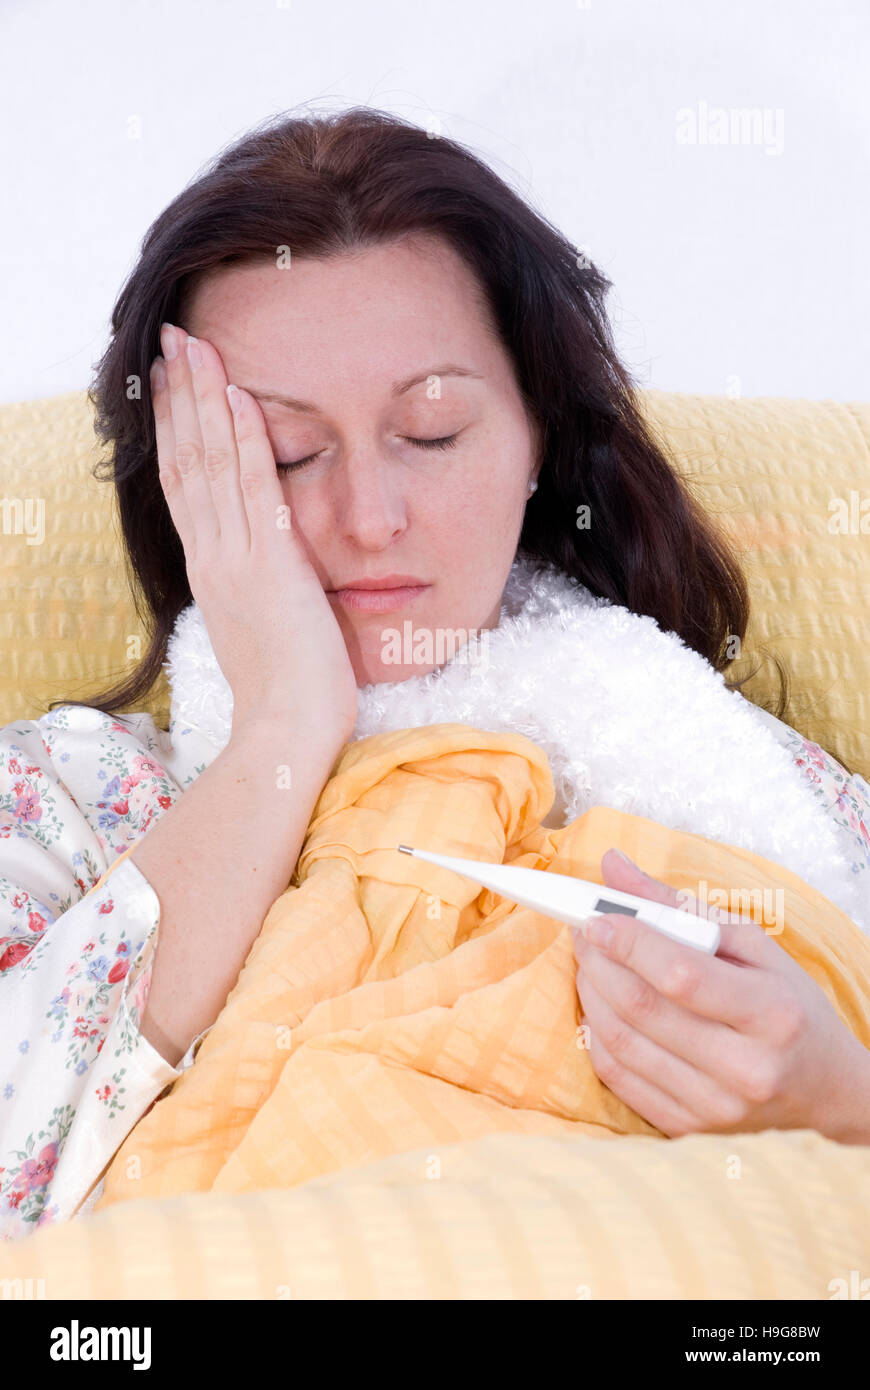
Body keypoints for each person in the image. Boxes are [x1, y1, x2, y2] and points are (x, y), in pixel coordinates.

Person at [3, 106, 869, 1241]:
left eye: (434, 430)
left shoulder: (746, 784)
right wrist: (284, 726)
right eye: (285, 454)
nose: (370, 518)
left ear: (535, 446)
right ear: (187, 479)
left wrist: (837, 1100)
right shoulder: (62, 807)